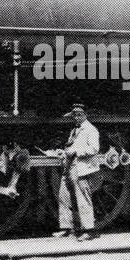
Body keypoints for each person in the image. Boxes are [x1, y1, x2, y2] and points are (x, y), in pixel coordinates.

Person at [52, 103, 101, 241]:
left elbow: (94, 149)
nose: (76, 117)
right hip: (69, 167)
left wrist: (76, 152)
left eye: (79, 114)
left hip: (81, 168)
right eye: (74, 115)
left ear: (85, 115)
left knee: (83, 198)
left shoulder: (91, 130)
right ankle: (67, 228)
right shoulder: (74, 130)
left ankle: (89, 230)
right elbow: (71, 146)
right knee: (63, 196)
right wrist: (64, 152)